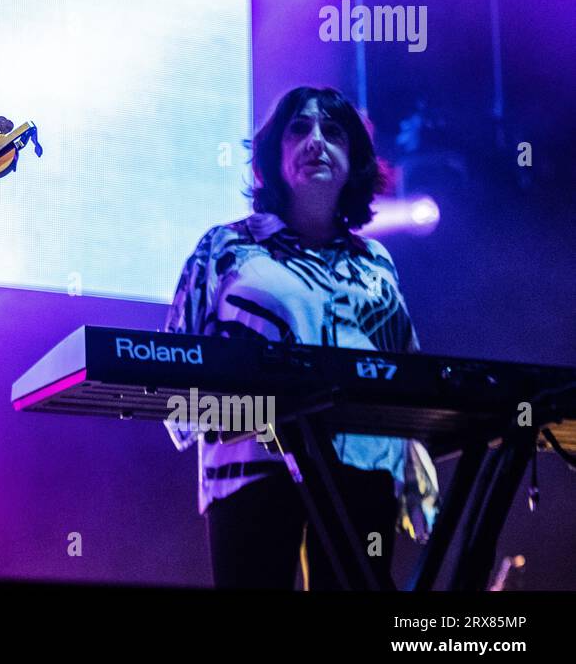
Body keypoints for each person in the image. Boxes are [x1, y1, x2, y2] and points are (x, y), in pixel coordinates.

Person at [165, 85, 439, 589]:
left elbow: (409, 375)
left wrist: (413, 457)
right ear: (276, 152)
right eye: (300, 129)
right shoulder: (225, 248)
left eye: (333, 131)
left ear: (353, 157)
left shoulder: (375, 262)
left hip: (364, 470)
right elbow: (174, 379)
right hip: (254, 471)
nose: (316, 141)